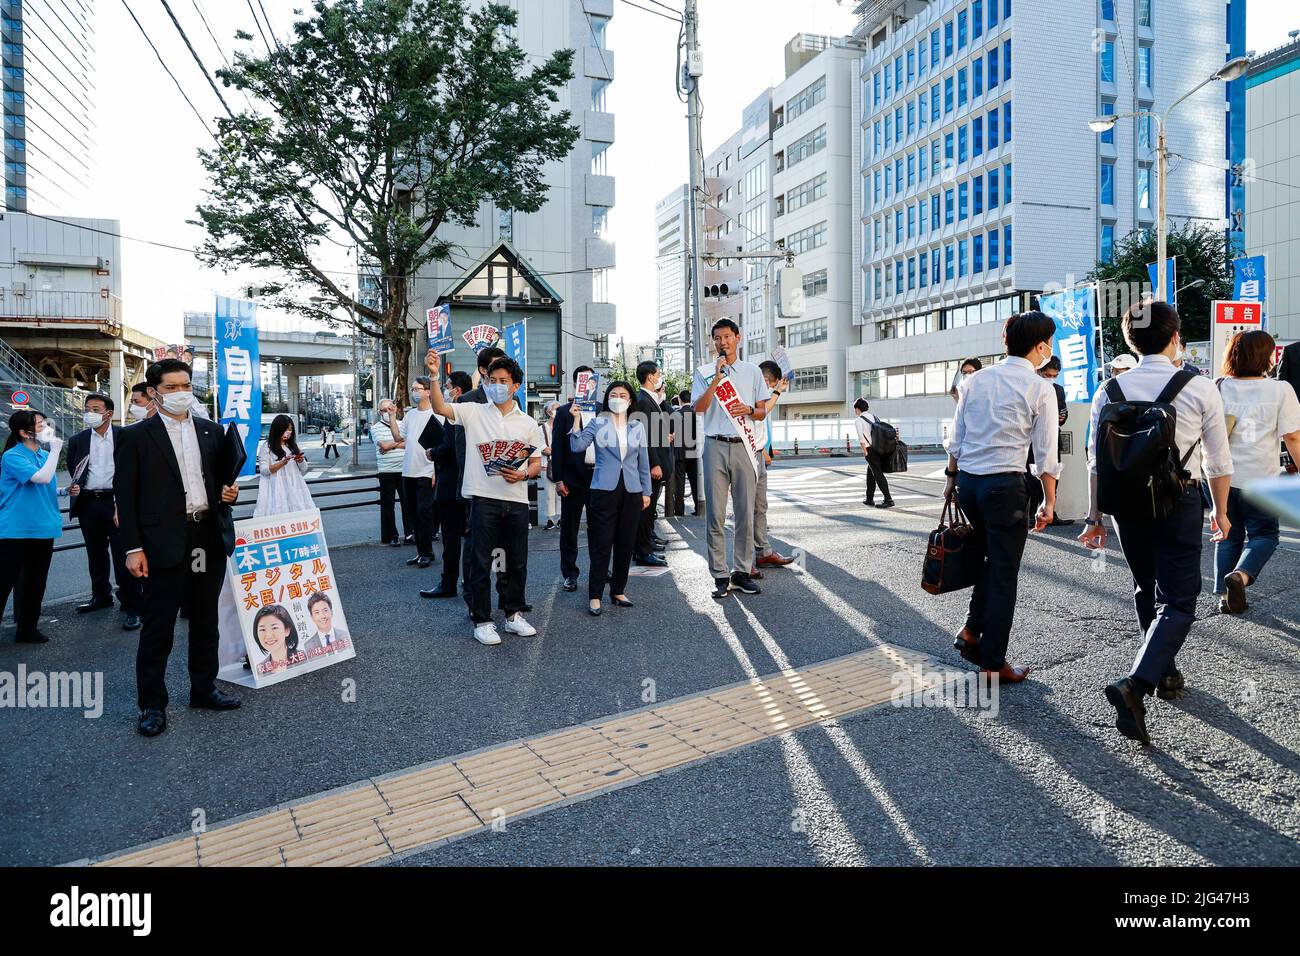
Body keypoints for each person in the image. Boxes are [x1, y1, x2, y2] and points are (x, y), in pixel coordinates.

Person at [1080, 300, 1233, 746]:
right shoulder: (1199, 386)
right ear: (1174, 337)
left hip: (1127, 504)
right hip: (1177, 499)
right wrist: (1220, 511)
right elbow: (1216, 461)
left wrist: (1094, 517)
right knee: (1181, 599)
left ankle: (1163, 671)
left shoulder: (1108, 390)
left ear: (1131, 339)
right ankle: (1137, 683)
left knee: (1146, 585)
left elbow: (1096, 462)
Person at [114, 358, 241, 737]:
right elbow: (126, 496)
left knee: (205, 618)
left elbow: (221, 483)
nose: (181, 393)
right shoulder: (135, 437)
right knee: (159, 625)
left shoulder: (211, 431)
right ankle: (152, 705)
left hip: (206, 538)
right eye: (171, 387)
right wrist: (132, 548)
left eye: (186, 385)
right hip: (161, 543)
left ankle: (204, 688)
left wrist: (229, 494)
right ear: (153, 392)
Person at [945, 311, 1062, 684]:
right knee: (1003, 573)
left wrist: (951, 479)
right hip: (1004, 488)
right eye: (1050, 342)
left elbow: (956, 438)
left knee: (990, 564)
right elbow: (1046, 454)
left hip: (969, 485)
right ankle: (993, 662)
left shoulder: (975, 380)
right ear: (1041, 346)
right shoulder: (1040, 387)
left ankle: (971, 631)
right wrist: (1050, 500)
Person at [426, 351, 542, 645]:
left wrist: (525, 474)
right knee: (480, 561)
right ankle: (482, 620)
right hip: (482, 499)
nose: (496, 385)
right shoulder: (473, 411)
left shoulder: (527, 423)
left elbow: (537, 462)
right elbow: (440, 407)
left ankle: (513, 614)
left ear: (515, 385)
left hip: (516, 500)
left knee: (515, 561)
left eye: (503, 380)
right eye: (492, 380)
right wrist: (434, 375)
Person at [1212, 330, 1300, 615]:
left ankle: (1226, 596)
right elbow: (1293, 437)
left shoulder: (1219, 386)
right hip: (1261, 477)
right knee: (1265, 535)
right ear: (1267, 357)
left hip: (1220, 477)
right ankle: (1241, 575)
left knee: (1228, 533)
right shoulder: (1280, 390)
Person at [692, 319, 767, 600]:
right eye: (717, 338)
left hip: (745, 446)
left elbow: (762, 411)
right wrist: (716, 378)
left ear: (738, 338)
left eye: (726, 336)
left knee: (746, 513)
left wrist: (748, 409)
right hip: (715, 446)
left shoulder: (752, 372)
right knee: (716, 513)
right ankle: (720, 575)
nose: (722, 342)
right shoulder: (703, 372)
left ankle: (741, 572)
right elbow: (698, 407)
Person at [568, 381, 652, 615]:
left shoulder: (637, 426)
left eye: (622, 395)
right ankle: (595, 595)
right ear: (607, 399)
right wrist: (576, 421)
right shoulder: (598, 422)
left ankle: (618, 590)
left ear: (630, 400)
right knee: (601, 544)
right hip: (604, 489)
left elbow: (642, 462)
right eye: (613, 394)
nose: (617, 398)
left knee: (626, 543)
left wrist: (647, 491)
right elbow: (577, 446)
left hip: (633, 490)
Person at [66, 393, 143, 631]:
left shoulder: (124, 436)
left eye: (95, 408)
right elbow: (73, 467)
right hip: (89, 501)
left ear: (108, 413)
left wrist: (123, 504)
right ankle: (101, 595)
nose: (90, 412)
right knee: (95, 552)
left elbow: (133, 471)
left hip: (116, 502)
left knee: (124, 554)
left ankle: (132, 605)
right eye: (87, 408)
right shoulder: (78, 439)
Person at [0, 410, 63, 643]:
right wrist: (56, 451)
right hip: (16, 528)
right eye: (39, 425)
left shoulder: (42, 455)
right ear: (24, 433)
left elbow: (45, 485)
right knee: (4, 581)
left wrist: (64, 490)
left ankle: (27, 629)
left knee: (36, 582)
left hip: (43, 527)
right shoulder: (12, 456)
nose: (46, 427)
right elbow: (41, 478)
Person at [451, 346, 506, 605]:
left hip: (506, 485)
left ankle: (507, 596)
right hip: (478, 486)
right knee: (475, 544)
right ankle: (472, 594)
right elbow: (461, 448)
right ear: (483, 371)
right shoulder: (467, 400)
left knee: (503, 544)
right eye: (496, 369)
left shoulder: (511, 399)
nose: (501, 378)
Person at [421, 371, 473, 600]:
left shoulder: (456, 414)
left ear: (457, 391)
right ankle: (468, 582)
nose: (444, 391)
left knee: (451, 539)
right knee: (470, 538)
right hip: (469, 484)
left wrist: (433, 452)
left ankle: (449, 582)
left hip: (451, 484)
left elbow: (448, 447)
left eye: (447, 386)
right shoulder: (477, 412)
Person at [551, 366, 598, 593]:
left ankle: (599, 570)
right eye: (583, 380)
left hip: (599, 476)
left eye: (591, 379)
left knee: (599, 527)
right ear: (576, 383)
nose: (588, 383)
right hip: (572, 478)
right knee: (569, 528)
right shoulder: (563, 412)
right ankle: (569, 573)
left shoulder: (602, 410)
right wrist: (558, 479)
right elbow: (558, 448)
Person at [751, 361, 796, 577]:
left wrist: (767, 448)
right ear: (768, 380)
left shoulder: (764, 394)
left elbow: (764, 421)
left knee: (760, 506)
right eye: (773, 384)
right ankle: (744, 562)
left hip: (759, 453)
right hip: (750, 455)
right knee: (746, 510)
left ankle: (763, 552)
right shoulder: (752, 391)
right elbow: (758, 416)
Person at [633, 360, 672, 568]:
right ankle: (642, 551)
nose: (660, 377)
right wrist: (654, 464)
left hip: (656, 463)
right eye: (658, 374)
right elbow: (646, 437)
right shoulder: (643, 401)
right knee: (645, 511)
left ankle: (645, 546)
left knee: (649, 511)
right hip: (651, 466)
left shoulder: (650, 400)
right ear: (650, 377)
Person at [1028, 356, 1073, 528]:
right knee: (1031, 477)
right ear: (1038, 371)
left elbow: (1063, 413)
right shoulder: (1031, 386)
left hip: (1053, 438)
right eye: (1047, 374)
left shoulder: (1059, 390)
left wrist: (1062, 416)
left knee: (1054, 475)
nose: (1051, 378)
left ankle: (1051, 511)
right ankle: (1032, 514)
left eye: (1054, 375)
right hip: (1031, 439)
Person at [399, 377, 438, 569]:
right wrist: (390, 415)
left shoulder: (437, 414)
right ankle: (422, 551)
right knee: (412, 512)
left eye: (418, 389)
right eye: (412, 388)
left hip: (426, 470)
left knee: (424, 512)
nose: (414, 392)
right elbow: (399, 437)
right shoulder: (411, 415)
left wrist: (435, 471)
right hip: (408, 470)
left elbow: (441, 445)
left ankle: (426, 552)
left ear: (428, 391)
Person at [256, 414, 312, 517]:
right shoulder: (267, 447)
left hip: (296, 488)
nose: (288, 432)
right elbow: (263, 470)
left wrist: (301, 460)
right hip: (277, 490)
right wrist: (282, 462)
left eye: (290, 429)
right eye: (286, 429)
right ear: (278, 430)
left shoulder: (293, 446)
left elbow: (304, 468)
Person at [371, 399, 408, 546]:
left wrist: (390, 446)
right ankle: (393, 535)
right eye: (383, 410)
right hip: (386, 470)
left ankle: (409, 533)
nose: (387, 412)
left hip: (404, 468)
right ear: (380, 412)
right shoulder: (375, 428)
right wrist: (399, 442)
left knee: (407, 503)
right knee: (388, 505)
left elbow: (409, 443)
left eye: (389, 409)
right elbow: (383, 444)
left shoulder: (402, 424)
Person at [853, 398, 895, 509]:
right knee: (870, 473)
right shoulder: (874, 417)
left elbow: (861, 439)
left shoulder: (858, 420)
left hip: (870, 450)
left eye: (855, 409)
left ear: (858, 409)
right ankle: (869, 498)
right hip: (880, 449)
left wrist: (865, 451)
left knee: (877, 474)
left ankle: (888, 499)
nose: (855, 411)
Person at [672, 388, 703, 516]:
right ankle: (698, 508)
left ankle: (679, 510)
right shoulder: (696, 414)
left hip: (679, 453)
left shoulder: (676, 414)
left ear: (679, 400)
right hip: (694, 452)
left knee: (679, 483)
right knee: (695, 481)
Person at [251, 604, 303, 672]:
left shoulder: (302, 657)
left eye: (274, 628)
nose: (268, 636)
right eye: (262, 629)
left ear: (287, 630)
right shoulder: (261, 669)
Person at [539, 400, 560, 530]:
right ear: (548, 411)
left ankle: (561, 518)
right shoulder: (541, 428)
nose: (557, 411)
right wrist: (549, 449)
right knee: (548, 494)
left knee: (561, 493)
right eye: (554, 408)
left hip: (561, 464)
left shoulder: (563, 426)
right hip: (546, 464)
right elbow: (541, 446)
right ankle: (550, 519)